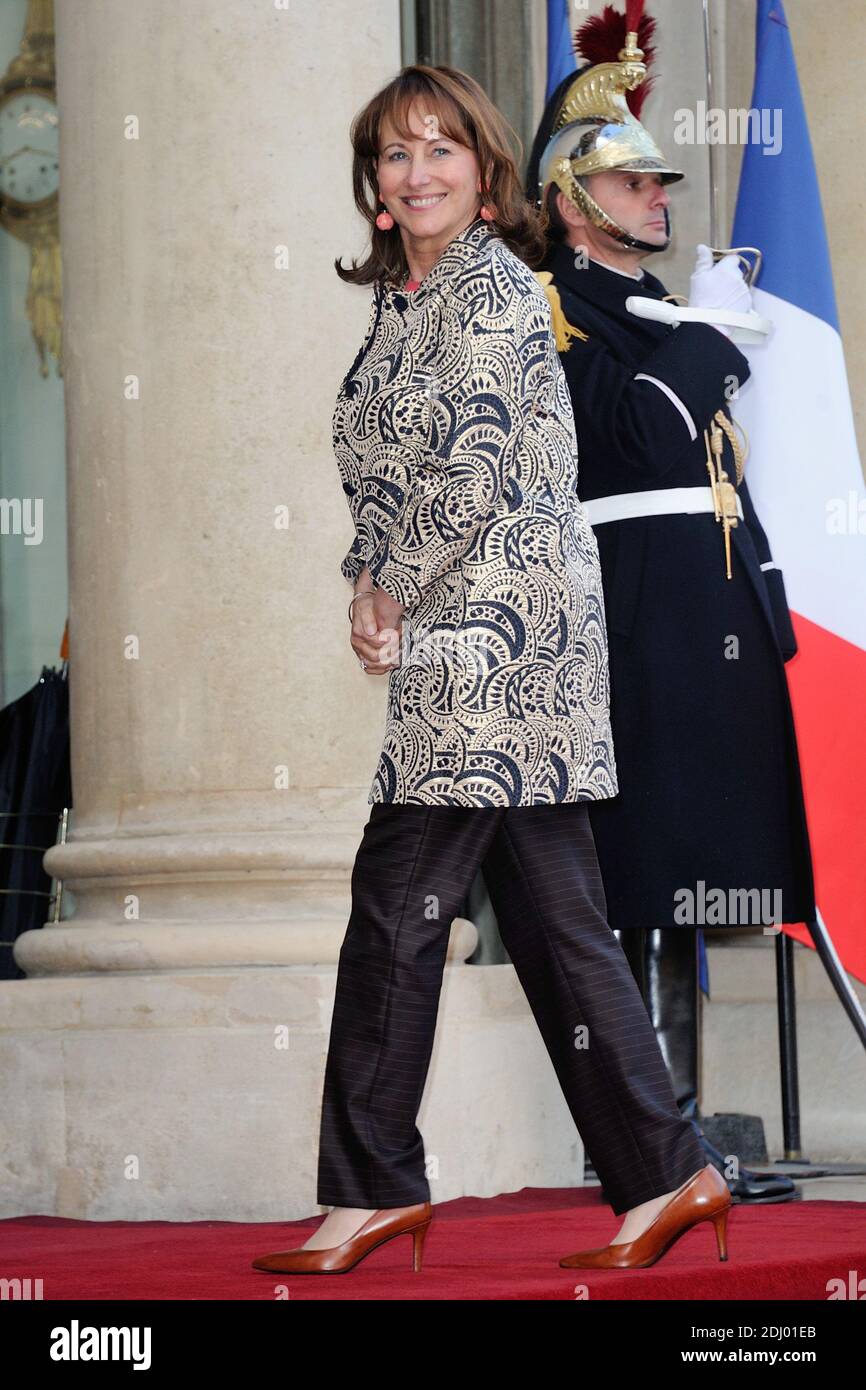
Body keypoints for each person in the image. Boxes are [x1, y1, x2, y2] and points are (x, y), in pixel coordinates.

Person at [251, 63, 728, 1278]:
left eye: (439, 151)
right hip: (457, 635)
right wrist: (371, 581)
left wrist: (387, 592)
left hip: (497, 645)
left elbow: (469, 469)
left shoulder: (496, 292)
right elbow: (385, 472)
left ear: (485, 171)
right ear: (372, 184)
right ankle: (671, 1173)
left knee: (394, 907)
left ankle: (370, 1192)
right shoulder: (404, 306)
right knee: (560, 923)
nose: (415, 173)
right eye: (394, 155)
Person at [520, 9, 814, 1202]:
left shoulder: (657, 312)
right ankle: (649, 1139)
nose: (656, 195)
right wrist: (710, 343)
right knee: (640, 876)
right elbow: (636, 428)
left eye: (655, 177)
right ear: (573, 195)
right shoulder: (552, 307)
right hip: (632, 622)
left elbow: (719, 473)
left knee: (713, 863)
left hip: (712, 618)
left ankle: (689, 1131)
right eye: (631, 179)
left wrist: (772, 602)